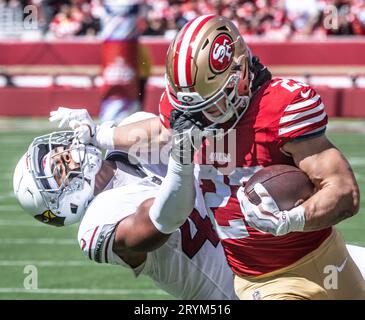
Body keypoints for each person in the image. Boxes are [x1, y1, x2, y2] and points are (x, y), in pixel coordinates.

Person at [56, 15, 365, 300]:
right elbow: (160, 130)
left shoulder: (283, 107)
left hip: (324, 253)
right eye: (189, 108)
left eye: (212, 104)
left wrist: (290, 219)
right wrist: (100, 134)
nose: (199, 117)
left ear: (240, 74)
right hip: (260, 281)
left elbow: (344, 193)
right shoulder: (187, 114)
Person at [12, 111, 237, 300]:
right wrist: (182, 158)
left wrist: (100, 133)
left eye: (62, 151)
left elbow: (170, 128)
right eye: (61, 168)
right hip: (231, 291)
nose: (71, 154)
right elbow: (164, 218)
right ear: (63, 203)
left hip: (254, 239)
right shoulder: (96, 223)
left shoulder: (125, 136)